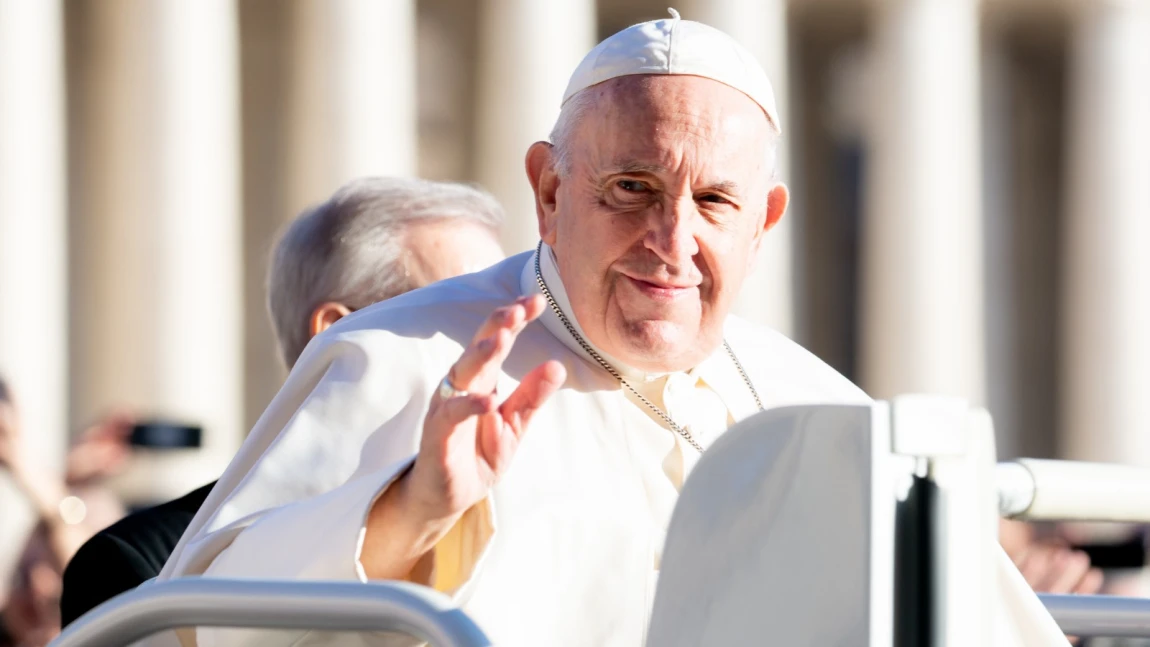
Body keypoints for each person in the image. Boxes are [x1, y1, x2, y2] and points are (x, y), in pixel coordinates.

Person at [151, 14, 870, 647]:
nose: (671, 238)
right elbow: (194, 623)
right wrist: (410, 512)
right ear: (550, 194)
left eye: (714, 200)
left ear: (763, 223)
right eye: (632, 188)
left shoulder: (817, 402)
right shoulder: (398, 355)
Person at [57, 177, 506, 628]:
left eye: (519, 322)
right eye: (463, 322)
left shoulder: (534, 533)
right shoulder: (138, 566)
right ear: (340, 334)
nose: (505, 354)